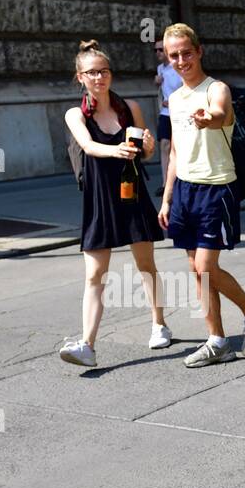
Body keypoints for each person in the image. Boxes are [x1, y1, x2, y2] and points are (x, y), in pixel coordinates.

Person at [157, 23, 245, 367]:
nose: (181, 61)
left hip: (216, 187)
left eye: (186, 53)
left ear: (199, 51)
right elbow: (175, 152)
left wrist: (209, 118)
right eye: (174, 55)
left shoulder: (216, 89)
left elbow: (221, 114)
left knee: (206, 267)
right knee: (196, 270)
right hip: (185, 191)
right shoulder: (174, 99)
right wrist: (167, 198)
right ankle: (217, 341)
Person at [59, 40, 168, 368]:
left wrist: (148, 146)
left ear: (111, 74)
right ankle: (87, 346)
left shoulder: (129, 108)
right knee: (95, 274)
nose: (99, 77)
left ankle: (159, 324)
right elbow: (88, 146)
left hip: (131, 193)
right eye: (92, 73)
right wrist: (116, 150)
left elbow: (144, 153)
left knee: (146, 265)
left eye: (104, 71)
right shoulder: (75, 114)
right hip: (100, 199)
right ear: (80, 77)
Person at [153, 38, 183, 196]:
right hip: (165, 113)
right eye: (155, 50)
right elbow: (162, 88)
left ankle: (180, 181)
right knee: (164, 145)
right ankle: (165, 184)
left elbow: (187, 88)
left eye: (160, 50)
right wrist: (157, 82)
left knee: (179, 147)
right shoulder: (160, 69)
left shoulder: (178, 67)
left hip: (180, 113)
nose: (157, 53)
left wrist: (173, 101)